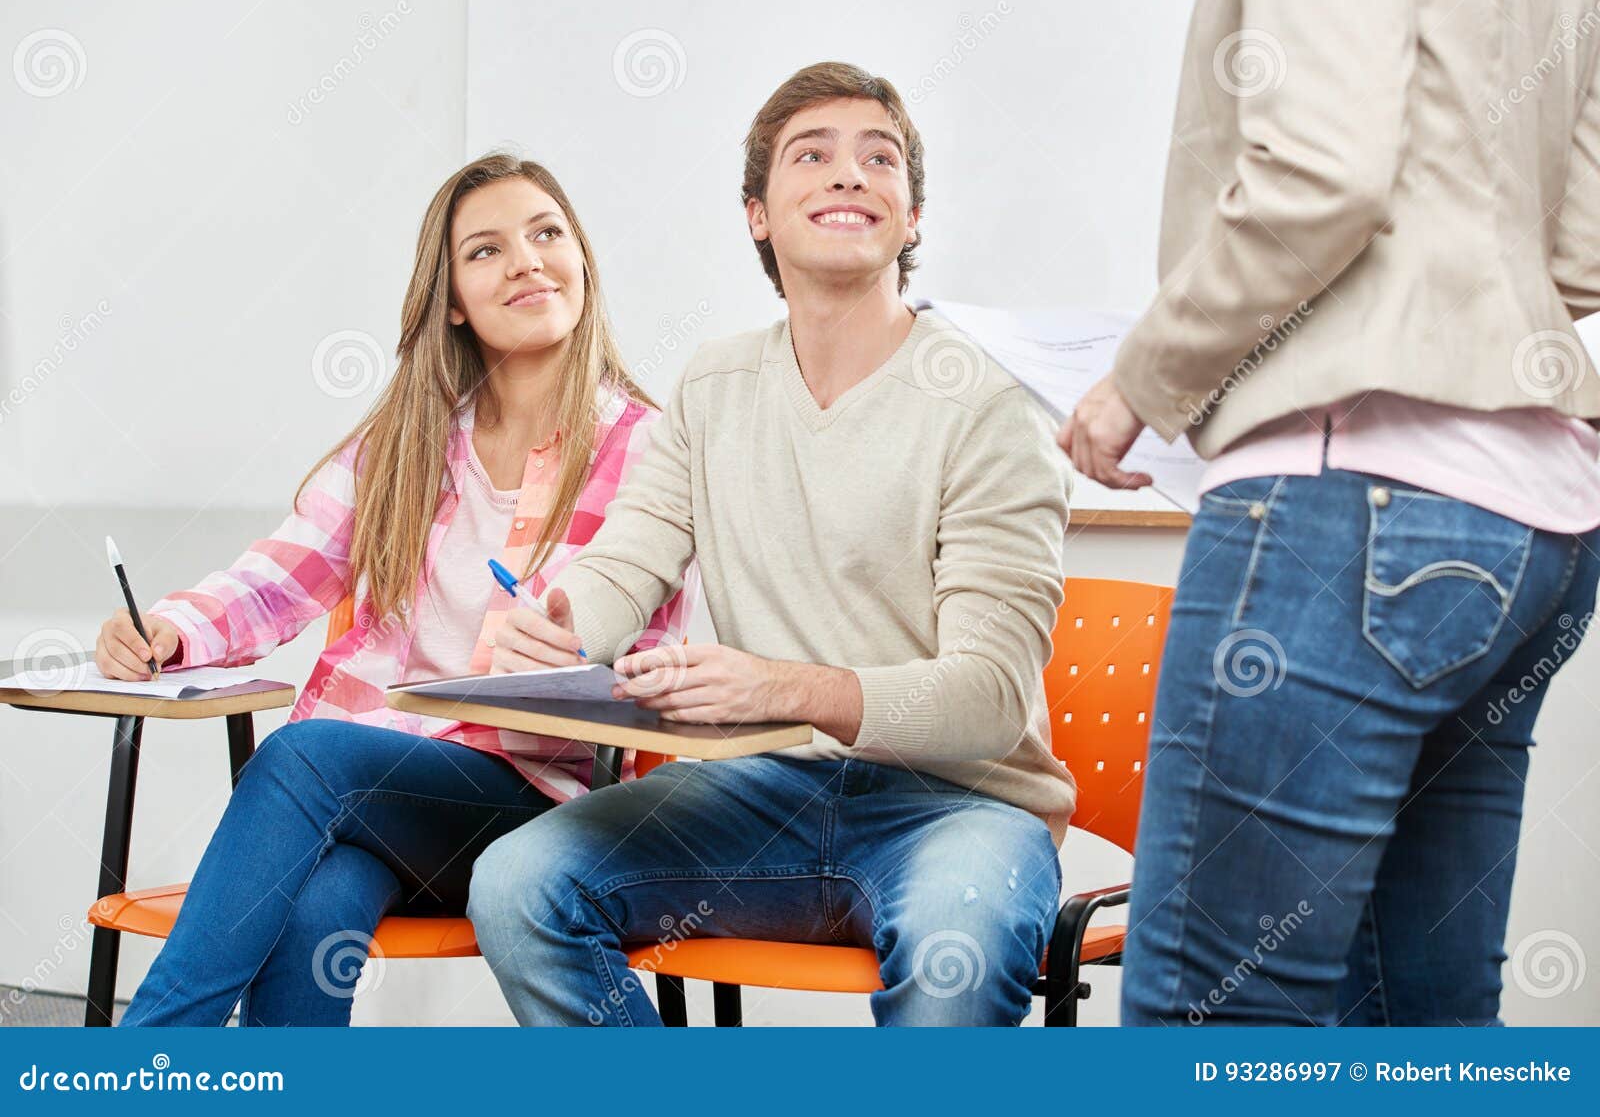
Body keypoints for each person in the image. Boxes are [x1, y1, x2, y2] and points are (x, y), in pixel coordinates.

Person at [465, 62, 1076, 1026]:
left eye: (880, 158)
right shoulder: (714, 388)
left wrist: (785, 687)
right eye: (812, 156)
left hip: (959, 808)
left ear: (911, 217)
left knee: (956, 952)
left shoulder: (988, 406)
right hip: (767, 795)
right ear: (758, 213)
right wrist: (558, 626)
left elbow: (992, 699)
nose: (848, 175)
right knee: (520, 883)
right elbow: (628, 562)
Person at [1061, 0, 1600, 1025]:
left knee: (1212, 1027)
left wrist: (1139, 383)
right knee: (1424, 1021)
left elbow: (1322, 176)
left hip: (1353, 508)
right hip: (1537, 521)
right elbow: (1581, 248)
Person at [109, 153, 694, 1025]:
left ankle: (146, 1053)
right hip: (378, 797)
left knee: (305, 755)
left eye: (546, 234)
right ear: (453, 299)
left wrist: (576, 649)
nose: (528, 260)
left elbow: (650, 660)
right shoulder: (409, 442)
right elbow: (280, 576)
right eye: (488, 250)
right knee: (317, 910)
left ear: (581, 262)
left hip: (524, 802)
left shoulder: (649, 449)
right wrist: (170, 631)